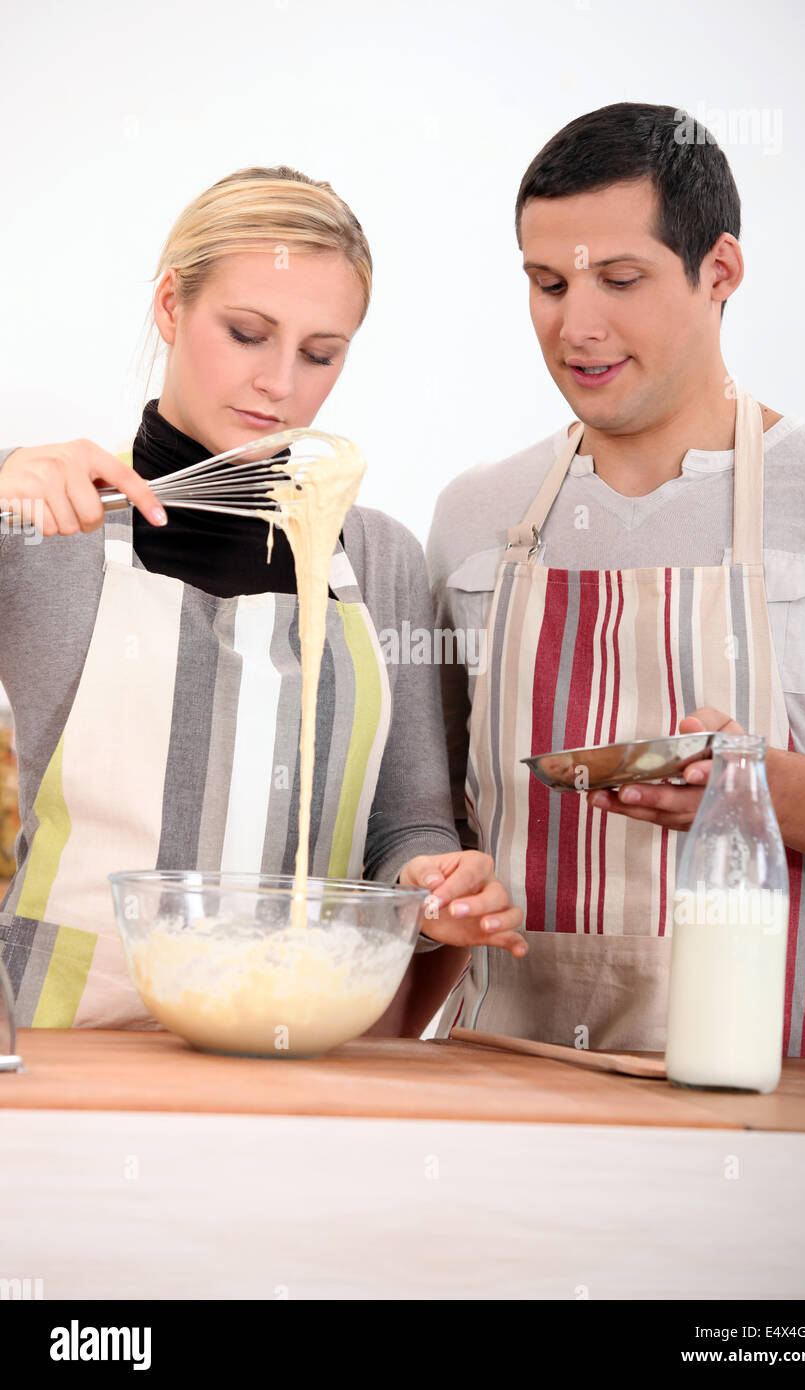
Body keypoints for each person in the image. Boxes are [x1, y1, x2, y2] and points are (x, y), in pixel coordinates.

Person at [0, 165, 523, 1032]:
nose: (282, 383)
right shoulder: (55, 531)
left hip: (302, 1060)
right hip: (61, 1057)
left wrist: (431, 885)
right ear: (171, 306)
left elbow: (407, 823)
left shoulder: (378, 558)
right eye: (248, 333)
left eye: (321, 354)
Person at [426, 103, 805, 1058]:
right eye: (547, 283)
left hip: (778, 1081)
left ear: (721, 271)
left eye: (620, 280)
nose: (576, 326)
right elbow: (425, 825)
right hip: (508, 1072)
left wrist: (758, 790)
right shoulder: (475, 517)